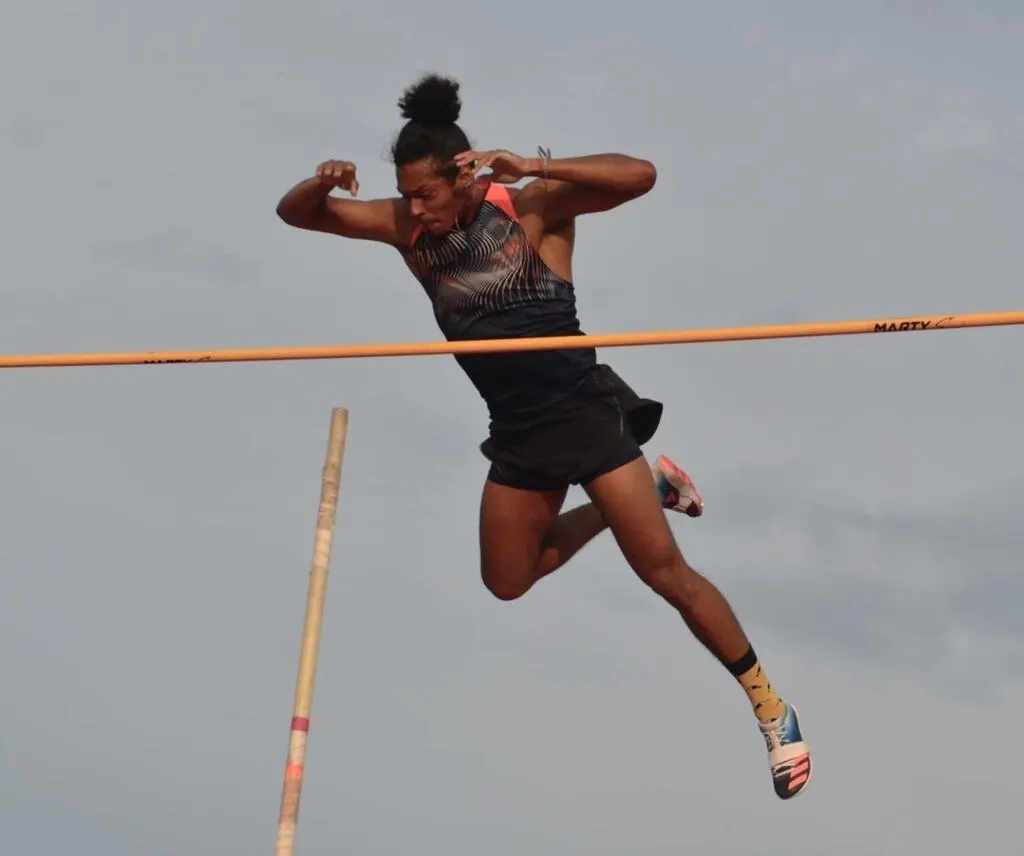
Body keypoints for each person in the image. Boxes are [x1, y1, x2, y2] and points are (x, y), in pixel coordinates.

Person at [275, 73, 811, 800]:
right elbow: (300, 216)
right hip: (517, 430)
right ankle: (654, 487)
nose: (415, 208)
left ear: (463, 176)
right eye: (406, 195)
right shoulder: (408, 230)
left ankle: (771, 709)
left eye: (426, 193)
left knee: (664, 576)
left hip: (584, 413)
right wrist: (321, 182)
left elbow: (642, 176)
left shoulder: (527, 206)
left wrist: (533, 164)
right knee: (507, 581)